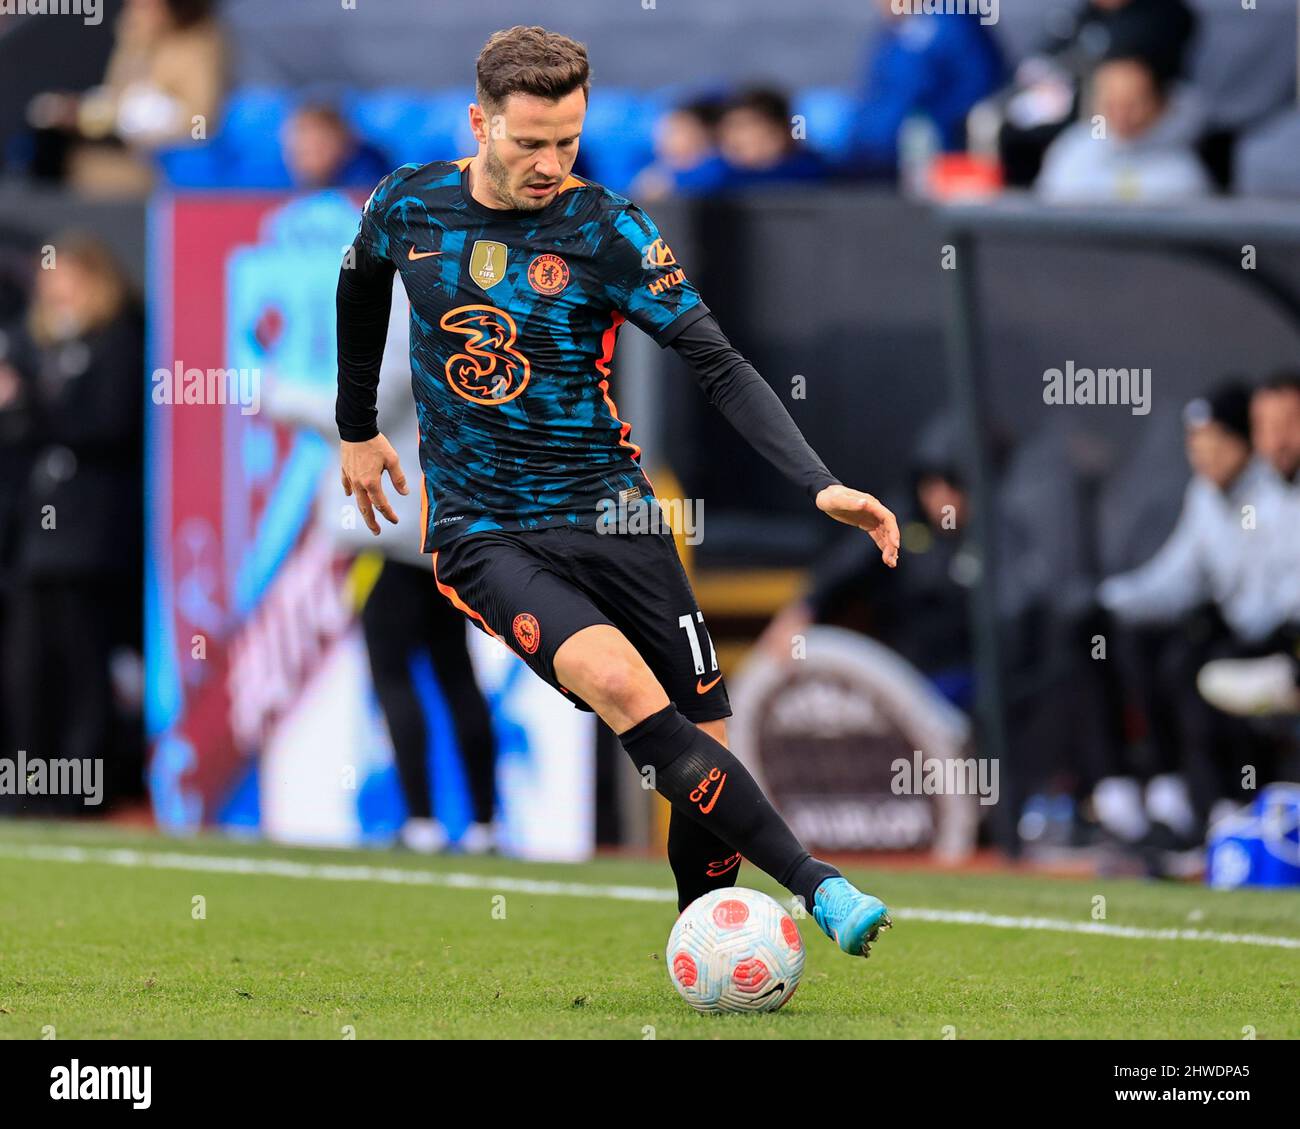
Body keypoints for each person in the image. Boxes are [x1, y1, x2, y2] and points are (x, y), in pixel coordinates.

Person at [335, 25, 901, 955]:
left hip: (612, 509)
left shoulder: (609, 230)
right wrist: (356, 425)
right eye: (529, 143)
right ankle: (819, 884)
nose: (551, 162)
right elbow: (360, 285)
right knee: (617, 683)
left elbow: (714, 362)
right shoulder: (409, 204)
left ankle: (704, 942)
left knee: (706, 743)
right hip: (485, 528)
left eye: (568, 140)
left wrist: (820, 483)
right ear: (481, 122)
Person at [266, 282, 498, 854]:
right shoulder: (468, 296)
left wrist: (279, 396)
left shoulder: (401, 297)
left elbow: (367, 415)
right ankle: (484, 824)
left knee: (394, 673)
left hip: (391, 525)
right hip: (446, 518)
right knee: (454, 673)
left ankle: (422, 822)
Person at [1095, 385, 1282, 845]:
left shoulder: (1273, 490)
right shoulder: (1203, 493)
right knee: (1124, 638)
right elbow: (1176, 577)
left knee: (1190, 658)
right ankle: (1152, 793)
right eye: (1195, 443)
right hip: (1227, 630)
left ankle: (1221, 805)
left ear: (1243, 441)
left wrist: (1230, 617)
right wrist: (1110, 600)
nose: (1203, 454)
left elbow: (1271, 597)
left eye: (1215, 441)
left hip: (1274, 634)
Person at [1, 235, 143, 810]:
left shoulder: (115, 345)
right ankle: (30, 789)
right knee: (28, 667)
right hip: (38, 541)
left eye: (66, 277)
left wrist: (25, 404)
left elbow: (104, 426)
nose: (53, 288)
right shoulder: (43, 349)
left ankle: (83, 794)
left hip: (89, 539)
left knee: (84, 667)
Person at [27, 0, 226, 196]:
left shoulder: (199, 45)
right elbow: (116, 100)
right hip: (128, 153)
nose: (135, 10)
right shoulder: (134, 41)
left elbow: (199, 123)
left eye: (146, 5)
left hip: (170, 169)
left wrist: (147, 116)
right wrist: (77, 112)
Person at [1197, 374, 1300, 716]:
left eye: (1289, 423)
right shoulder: (1257, 500)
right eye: (1265, 427)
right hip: (1275, 633)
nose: (1277, 440)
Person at [847, 1, 1004, 178]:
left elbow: (979, 85)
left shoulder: (951, 22)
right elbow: (878, 93)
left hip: (931, 161)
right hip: (874, 157)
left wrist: (934, 125)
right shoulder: (895, 31)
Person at [1036, 56, 1210, 204]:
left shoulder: (1181, 171)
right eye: (1111, 104)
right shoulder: (1070, 152)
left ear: (1158, 104)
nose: (1121, 115)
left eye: (1132, 105)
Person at [714, 88, 827, 190]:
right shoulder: (716, 178)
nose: (732, 139)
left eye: (742, 126)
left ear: (779, 131)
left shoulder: (818, 177)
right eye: (726, 130)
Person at [280, 104, 393, 190]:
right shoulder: (284, 187)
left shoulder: (370, 179)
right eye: (299, 153)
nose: (304, 162)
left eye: (318, 148)